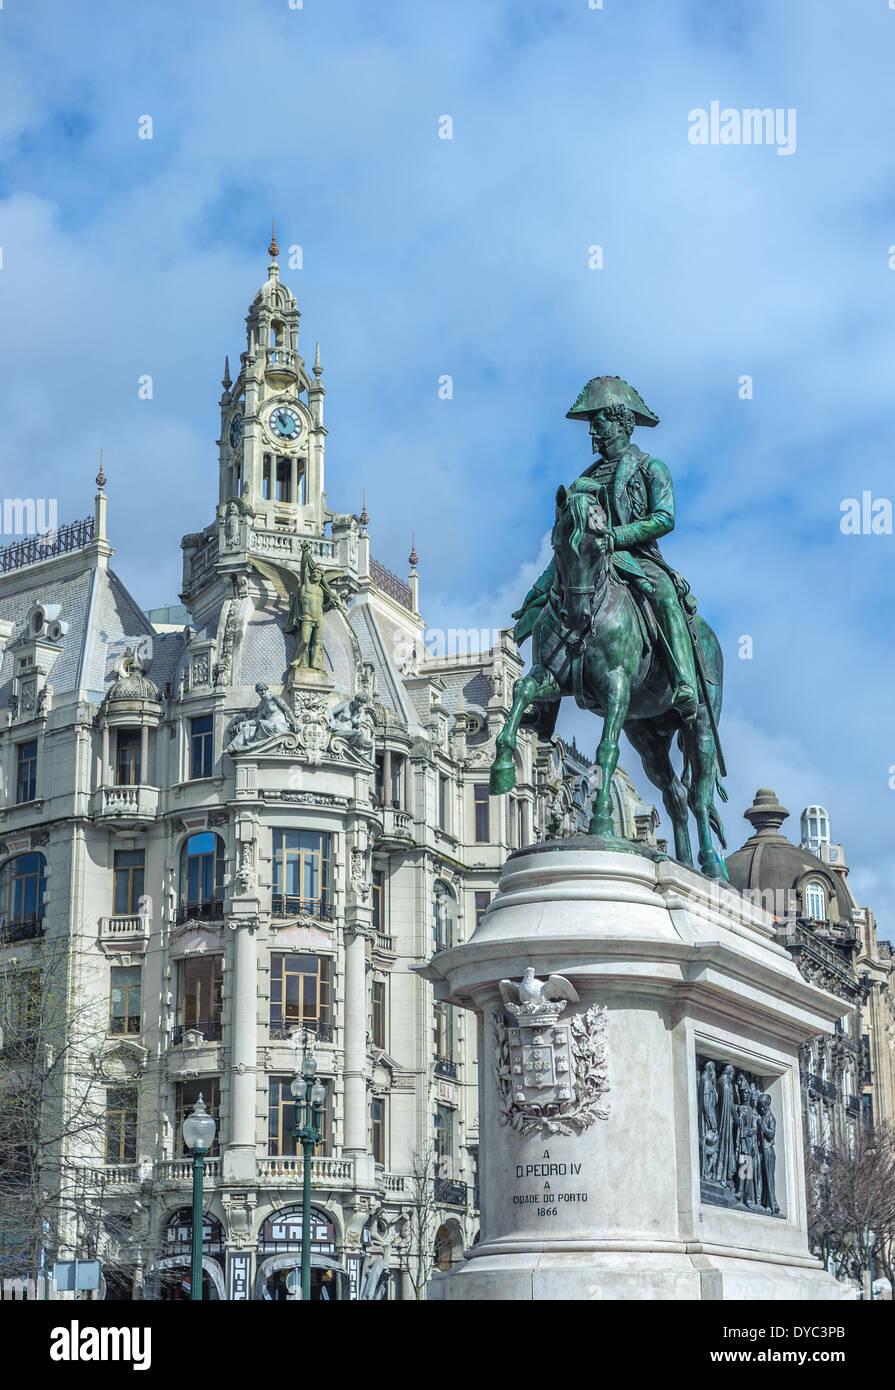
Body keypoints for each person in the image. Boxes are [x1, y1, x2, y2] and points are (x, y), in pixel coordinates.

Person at [512, 376, 700, 724]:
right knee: (551, 608)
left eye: (597, 424)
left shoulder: (651, 468)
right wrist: (538, 589)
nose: (592, 434)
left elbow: (664, 518)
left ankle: (683, 681)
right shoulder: (583, 481)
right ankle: (544, 712)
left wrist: (618, 535)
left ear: (620, 423)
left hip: (638, 557)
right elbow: (565, 541)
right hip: (589, 558)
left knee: (665, 596)